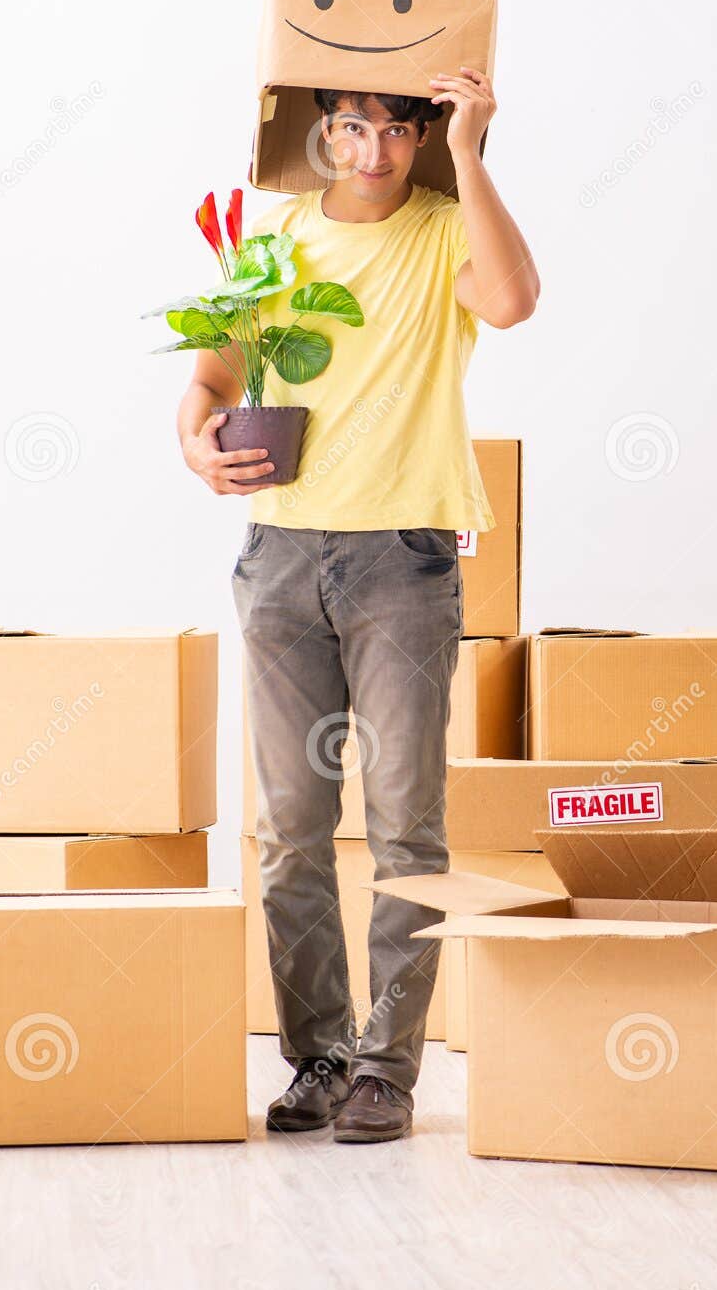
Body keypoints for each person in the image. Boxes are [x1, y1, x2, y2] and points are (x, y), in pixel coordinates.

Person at [176, 67, 539, 1143]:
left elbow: (512, 302)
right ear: (322, 132)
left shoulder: (444, 230)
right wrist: (196, 441)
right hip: (280, 559)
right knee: (290, 828)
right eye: (353, 128)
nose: (374, 152)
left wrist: (470, 150)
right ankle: (320, 1059)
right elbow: (211, 380)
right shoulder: (274, 243)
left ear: (422, 139)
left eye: (398, 131)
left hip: (403, 562)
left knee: (405, 827)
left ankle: (387, 1069)